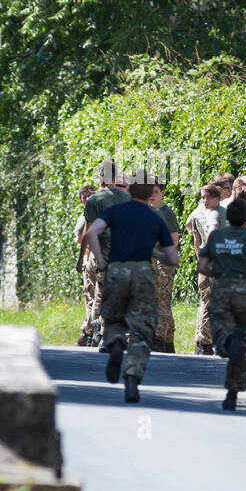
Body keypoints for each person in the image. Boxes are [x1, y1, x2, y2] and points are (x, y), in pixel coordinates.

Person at [84, 171, 178, 403]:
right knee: (141, 329)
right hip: (142, 273)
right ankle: (132, 378)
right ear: (150, 193)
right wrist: (153, 251)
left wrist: (101, 261)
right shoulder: (156, 215)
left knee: (115, 318)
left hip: (116, 270)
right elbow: (172, 257)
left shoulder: (115, 211)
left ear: (129, 189)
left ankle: (115, 343)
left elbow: (92, 233)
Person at [198, 197, 246, 411]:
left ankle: (226, 344)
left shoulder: (216, 236)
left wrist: (218, 273)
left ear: (227, 217)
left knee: (221, 334)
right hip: (245, 288)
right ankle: (233, 392)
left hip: (221, 288)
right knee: (243, 338)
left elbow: (202, 266)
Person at [79, 160, 131, 349]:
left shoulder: (94, 200)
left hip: (103, 249)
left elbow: (89, 232)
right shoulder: (127, 198)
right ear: (116, 176)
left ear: (101, 176)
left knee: (101, 292)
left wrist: (82, 258)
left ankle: (100, 332)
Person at [184, 183, 222, 354]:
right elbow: (197, 238)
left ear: (217, 197)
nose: (204, 201)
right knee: (207, 300)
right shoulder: (214, 213)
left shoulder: (207, 212)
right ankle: (205, 341)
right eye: (202, 198)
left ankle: (205, 341)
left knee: (208, 300)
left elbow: (193, 232)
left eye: (208, 197)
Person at [148, 181, 180, 353]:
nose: (151, 195)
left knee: (162, 300)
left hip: (163, 261)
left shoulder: (166, 213)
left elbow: (174, 240)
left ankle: (160, 339)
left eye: (155, 191)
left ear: (162, 192)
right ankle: (167, 341)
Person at [73, 185, 97, 346]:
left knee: (94, 296)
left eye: (88, 196)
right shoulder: (83, 217)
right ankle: (89, 330)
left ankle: (89, 330)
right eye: (83, 197)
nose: (85, 199)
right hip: (90, 256)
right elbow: (79, 238)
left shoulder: (92, 213)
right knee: (90, 295)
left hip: (94, 256)